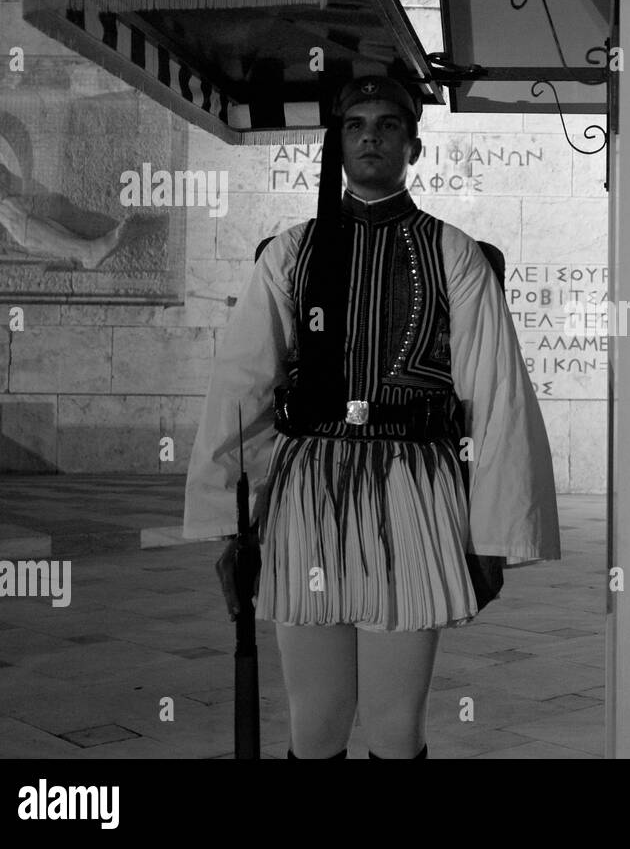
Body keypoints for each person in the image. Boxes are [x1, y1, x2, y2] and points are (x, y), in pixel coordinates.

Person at [183, 74, 561, 759]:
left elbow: (497, 396)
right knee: (316, 723)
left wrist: (495, 532)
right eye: (356, 125)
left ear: (412, 147)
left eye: (388, 126)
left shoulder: (456, 254)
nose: (370, 138)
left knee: (393, 727)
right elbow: (241, 389)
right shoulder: (289, 255)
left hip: (413, 487)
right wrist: (227, 525)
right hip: (306, 492)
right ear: (337, 143)